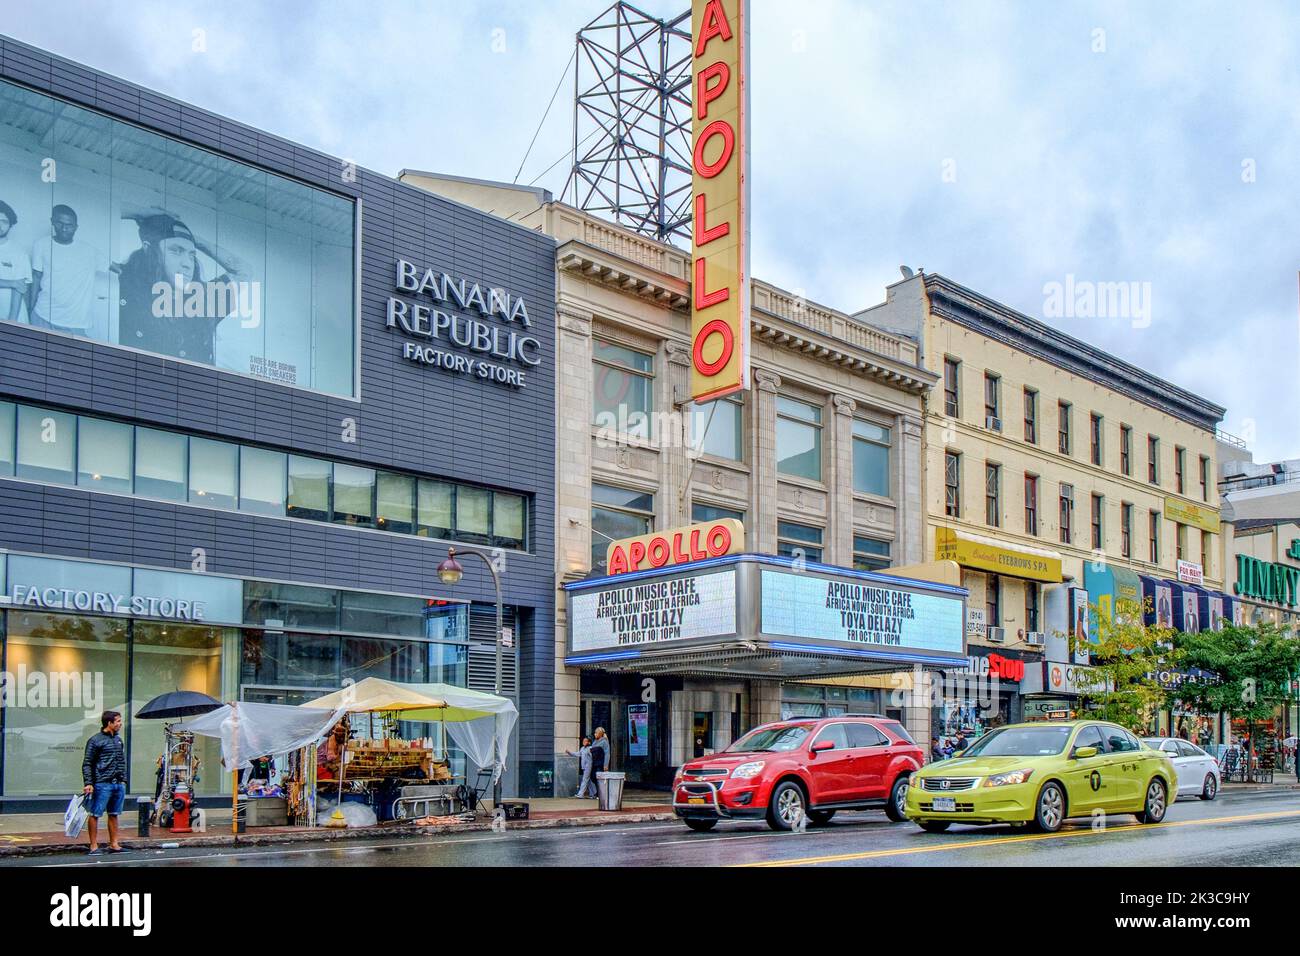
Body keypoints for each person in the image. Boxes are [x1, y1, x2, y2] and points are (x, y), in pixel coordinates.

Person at [116, 209, 249, 365]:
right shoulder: (124, 283)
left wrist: (192, 239)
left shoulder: (202, 299)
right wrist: (139, 213)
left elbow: (243, 271)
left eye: (191, 255)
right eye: (176, 251)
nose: (187, 264)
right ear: (148, 249)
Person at [29, 204, 101, 334]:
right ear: (52, 222)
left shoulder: (89, 251)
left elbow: (119, 268)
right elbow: (36, 278)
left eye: (69, 225)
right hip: (42, 316)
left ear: (76, 227)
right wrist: (31, 308)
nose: (64, 229)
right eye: (59, 223)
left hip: (75, 323)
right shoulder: (41, 245)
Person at [82, 710, 127, 855]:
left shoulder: (118, 740)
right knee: (95, 814)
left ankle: (114, 844)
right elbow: (87, 763)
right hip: (102, 783)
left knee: (114, 813)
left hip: (118, 783)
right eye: (118, 721)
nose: (120, 724)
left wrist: (123, 780)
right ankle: (93, 846)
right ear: (109, 723)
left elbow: (121, 761)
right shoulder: (95, 740)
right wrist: (89, 783)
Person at [0, 200, 31, 323]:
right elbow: (16, 283)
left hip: (12, 316)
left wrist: (11, 323)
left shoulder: (19, 253)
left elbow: (20, 288)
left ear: (11, 224)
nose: (0, 226)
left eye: (4, 222)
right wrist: (11, 283)